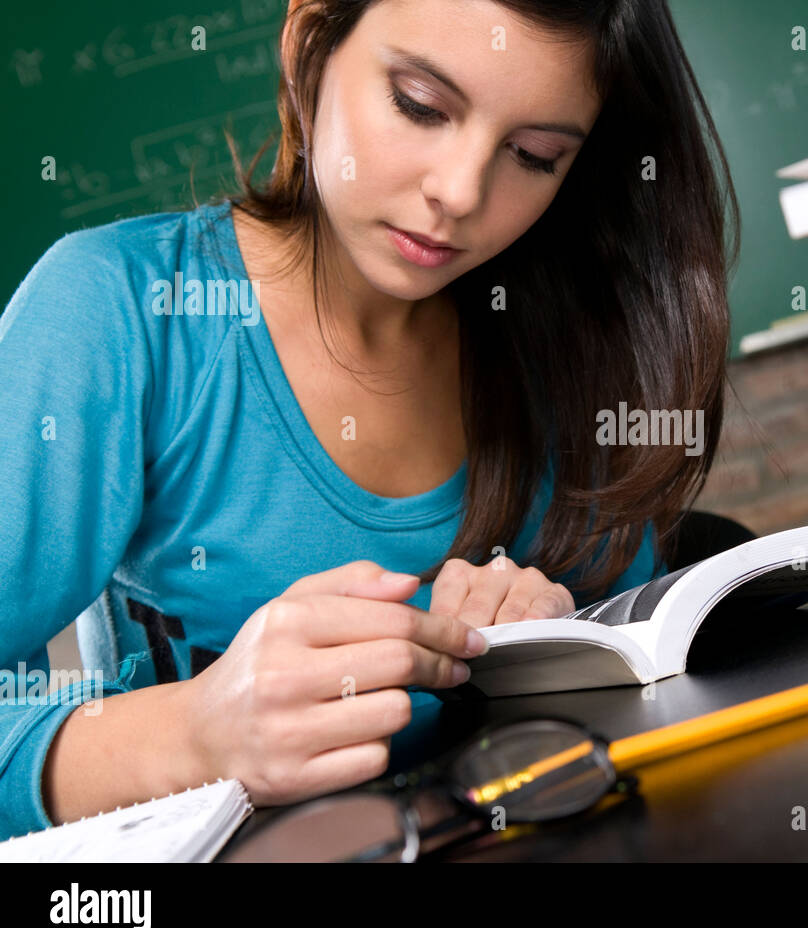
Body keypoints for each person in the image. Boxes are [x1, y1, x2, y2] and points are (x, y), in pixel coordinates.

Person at [0, 0, 737, 840]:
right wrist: (192, 733)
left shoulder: (571, 348)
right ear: (311, 42)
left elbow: (646, 705)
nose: (458, 194)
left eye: (534, 155)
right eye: (420, 105)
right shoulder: (115, 314)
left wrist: (549, 651)